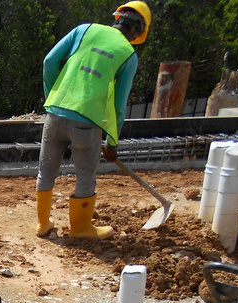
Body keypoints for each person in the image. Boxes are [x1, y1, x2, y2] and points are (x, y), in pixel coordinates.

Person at [35, 2, 151, 239]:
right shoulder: (128, 55)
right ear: (138, 32)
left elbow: (49, 62)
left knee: (46, 172)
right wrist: (112, 143)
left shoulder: (83, 30)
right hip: (87, 124)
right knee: (85, 176)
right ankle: (80, 229)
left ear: (117, 17)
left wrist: (53, 99)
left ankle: (43, 224)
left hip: (55, 114)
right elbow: (119, 107)